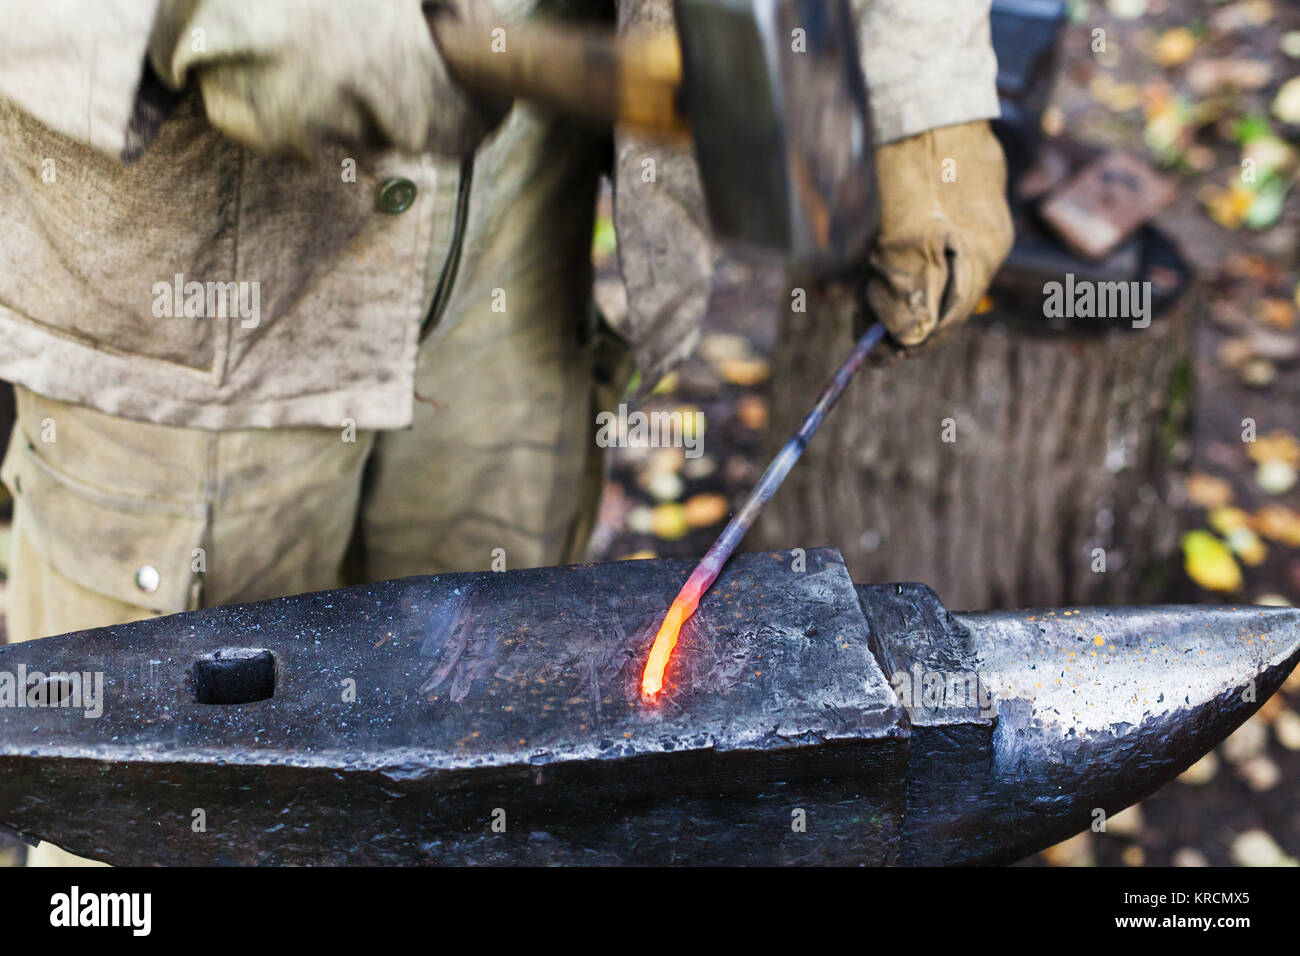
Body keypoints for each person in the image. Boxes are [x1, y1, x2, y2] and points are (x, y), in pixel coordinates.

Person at [0, 0, 1013, 865]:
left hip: (525, 220)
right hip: (180, 279)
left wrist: (922, 93)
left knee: (508, 785)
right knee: (148, 834)